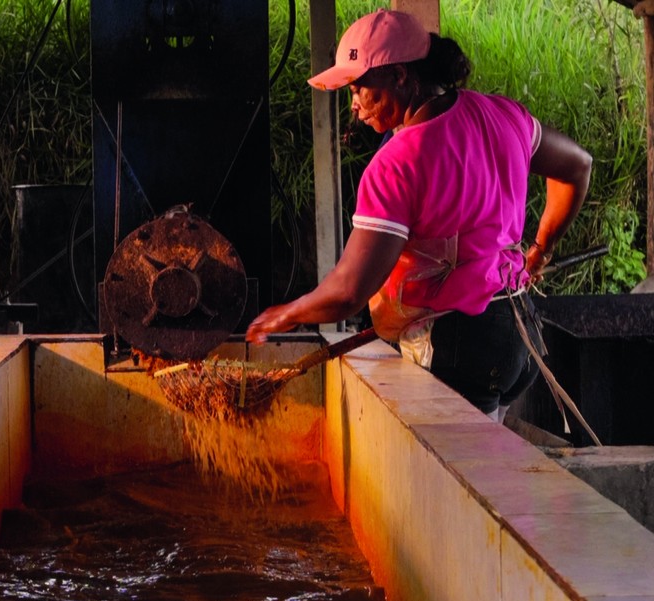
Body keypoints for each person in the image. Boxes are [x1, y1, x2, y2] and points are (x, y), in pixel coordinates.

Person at [245, 9, 592, 422]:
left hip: (458, 347)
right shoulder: (502, 115)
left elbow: (348, 291)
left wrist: (284, 314)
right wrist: (540, 251)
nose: (354, 106)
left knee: (456, 481)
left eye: (360, 88)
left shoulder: (397, 163)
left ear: (401, 77)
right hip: (519, 333)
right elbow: (578, 166)